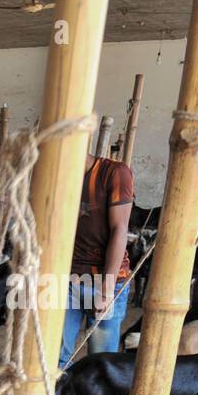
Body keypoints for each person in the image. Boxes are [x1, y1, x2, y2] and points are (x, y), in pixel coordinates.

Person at [57, 152, 134, 368]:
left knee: (100, 364)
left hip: (105, 279)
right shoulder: (56, 175)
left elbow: (120, 229)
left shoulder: (114, 173)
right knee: (56, 358)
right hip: (65, 278)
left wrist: (107, 289)